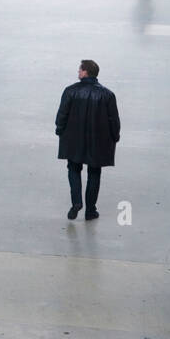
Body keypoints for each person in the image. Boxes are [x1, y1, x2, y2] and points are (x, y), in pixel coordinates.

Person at [54, 59, 120, 221]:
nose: (78, 72)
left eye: (80, 70)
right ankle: (90, 210)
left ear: (85, 72)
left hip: (73, 139)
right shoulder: (107, 95)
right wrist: (114, 136)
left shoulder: (70, 91)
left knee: (73, 169)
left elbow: (62, 114)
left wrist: (60, 130)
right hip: (98, 141)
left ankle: (76, 202)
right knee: (94, 173)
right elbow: (114, 120)